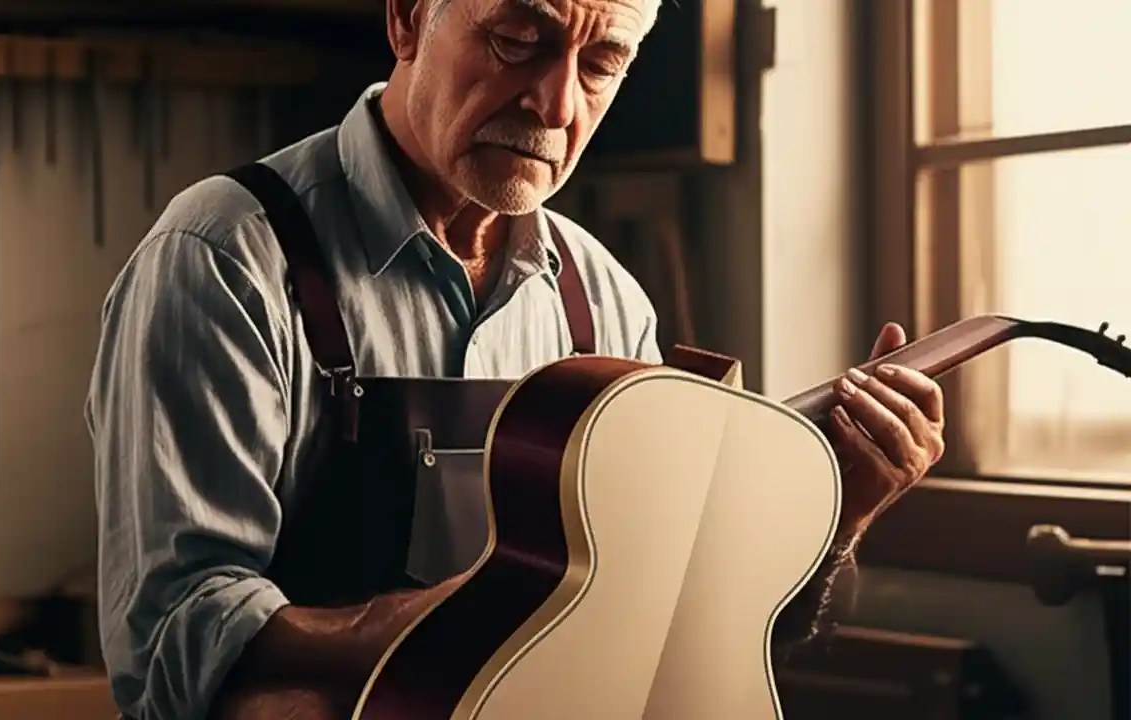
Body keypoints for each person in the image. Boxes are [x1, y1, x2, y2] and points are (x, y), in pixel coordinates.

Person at [85, 0, 947, 717]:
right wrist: (483, 622)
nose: (556, 104)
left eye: (602, 61)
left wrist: (841, 512)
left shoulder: (603, 302)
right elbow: (172, 636)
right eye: (517, 41)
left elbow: (687, 630)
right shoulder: (226, 256)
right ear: (409, 19)